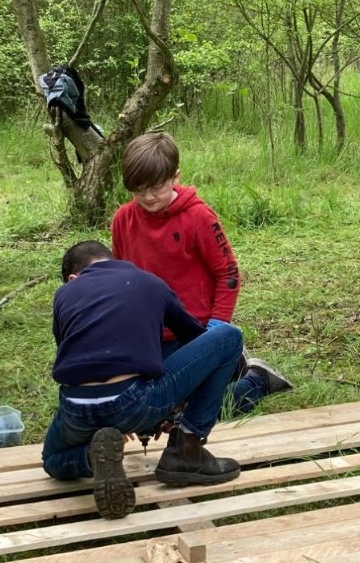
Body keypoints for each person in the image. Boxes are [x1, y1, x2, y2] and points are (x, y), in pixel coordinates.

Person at [42, 239, 244, 520]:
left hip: (75, 406)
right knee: (228, 338)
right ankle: (188, 447)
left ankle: (90, 458)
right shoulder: (149, 282)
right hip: (133, 402)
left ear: (73, 278)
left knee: (51, 461)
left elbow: (69, 350)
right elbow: (195, 339)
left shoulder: (65, 293)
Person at [110, 131, 292, 414]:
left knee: (191, 412)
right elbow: (121, 279)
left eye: (156, 187)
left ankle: (257, 380)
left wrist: (216, 328)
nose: (147, 197)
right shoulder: (123, 219)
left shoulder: (198, 217)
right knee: (142, 407)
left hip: (193, 332)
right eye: (138, 189)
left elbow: (228, 274)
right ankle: (226, 369)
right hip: (148, 335)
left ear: (176, 177)